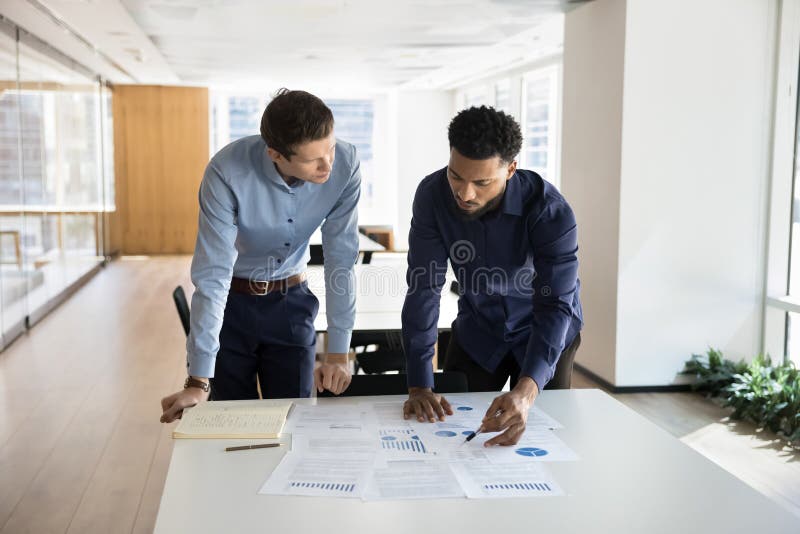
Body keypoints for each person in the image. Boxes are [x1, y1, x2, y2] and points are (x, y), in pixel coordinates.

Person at [160, 89, 360, 423]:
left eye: (331, 149)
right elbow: (213, 276)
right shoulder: (226, 172)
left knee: (293, 421)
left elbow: (341, 258)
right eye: (313, 159)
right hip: (232, 306)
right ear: (276, 155)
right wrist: (197, 381)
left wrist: (338, 352)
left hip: (291, 302)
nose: (328, 165)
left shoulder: (346, 165)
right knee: (234, 423)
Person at [401, 106, 583, 446]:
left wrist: (526, 393)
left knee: (540, 439)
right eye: (456, 176)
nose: (465, 193)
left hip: (543, 331)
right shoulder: (432, 196)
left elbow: (556, 303)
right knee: (448, 433)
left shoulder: (550, 211)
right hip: (478, 330)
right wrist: (420, 384)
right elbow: (424, 288)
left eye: (482, 182)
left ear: (511, 169)